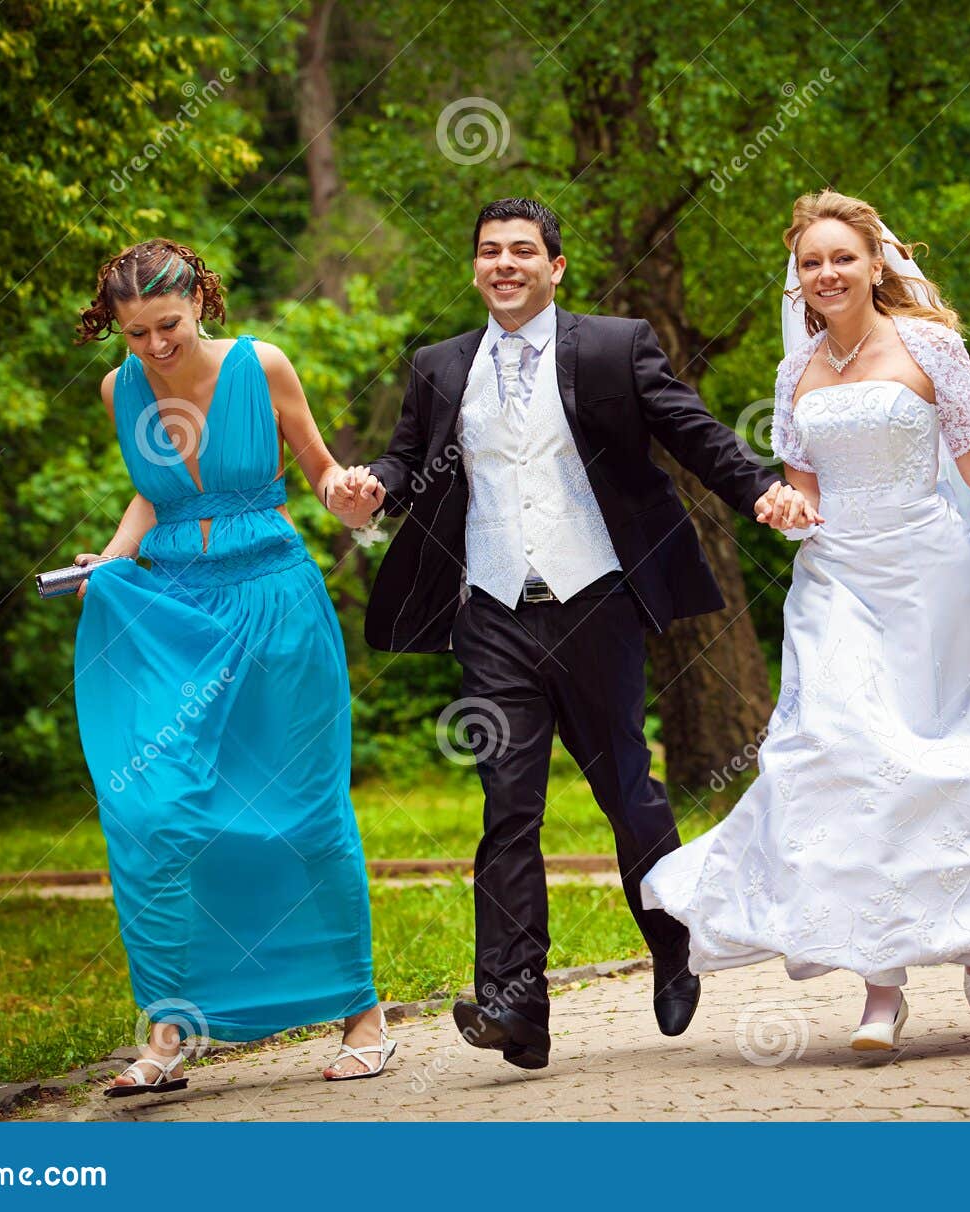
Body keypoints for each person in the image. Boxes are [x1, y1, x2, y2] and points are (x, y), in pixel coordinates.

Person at [640, 189, 970, 1051]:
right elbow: (803, 487)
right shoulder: (793, 371)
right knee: (847, 759)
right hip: (838, 582)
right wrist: (788, 509)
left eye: (843, 257)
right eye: (812, 262)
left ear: (877, 264)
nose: (827, 273)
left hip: (934, 577)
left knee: (960, 764)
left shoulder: (930, 346)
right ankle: (881, 989)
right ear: (797, 279)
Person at [346, 198, 805, 1069]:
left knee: (626, 791)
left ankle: (672, 940)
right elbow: (409, 461)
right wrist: (375, 486)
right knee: (508, 807)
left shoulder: (611, 345)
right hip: (489, 612)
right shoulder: (441, 367)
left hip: (596, 601)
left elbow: (692, 431)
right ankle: (516, 1003)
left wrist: (759, 492)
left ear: (556, 268)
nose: (505, 263)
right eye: (490, 252)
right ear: (475, 268)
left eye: (524, 251)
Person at [72, 238, 393, 1091]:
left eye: (166, 326)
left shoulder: (264, 365)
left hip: (275, 608)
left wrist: (348, 496)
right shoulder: (120, 390)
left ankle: (362, 1015)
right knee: (157, 813)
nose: (154, 348)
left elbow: (321, 471)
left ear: (202, 303)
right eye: (134, 334)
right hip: (174, 617)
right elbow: (155, 492)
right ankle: (171, 1030)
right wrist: (109, 559)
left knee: (305, 810)